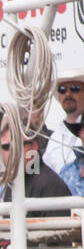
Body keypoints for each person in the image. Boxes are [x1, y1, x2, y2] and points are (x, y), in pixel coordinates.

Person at [43, 67, 84, 197]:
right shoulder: (54, 139)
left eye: (74, 89)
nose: (67, 94)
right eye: (62, 90)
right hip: (64, 211)